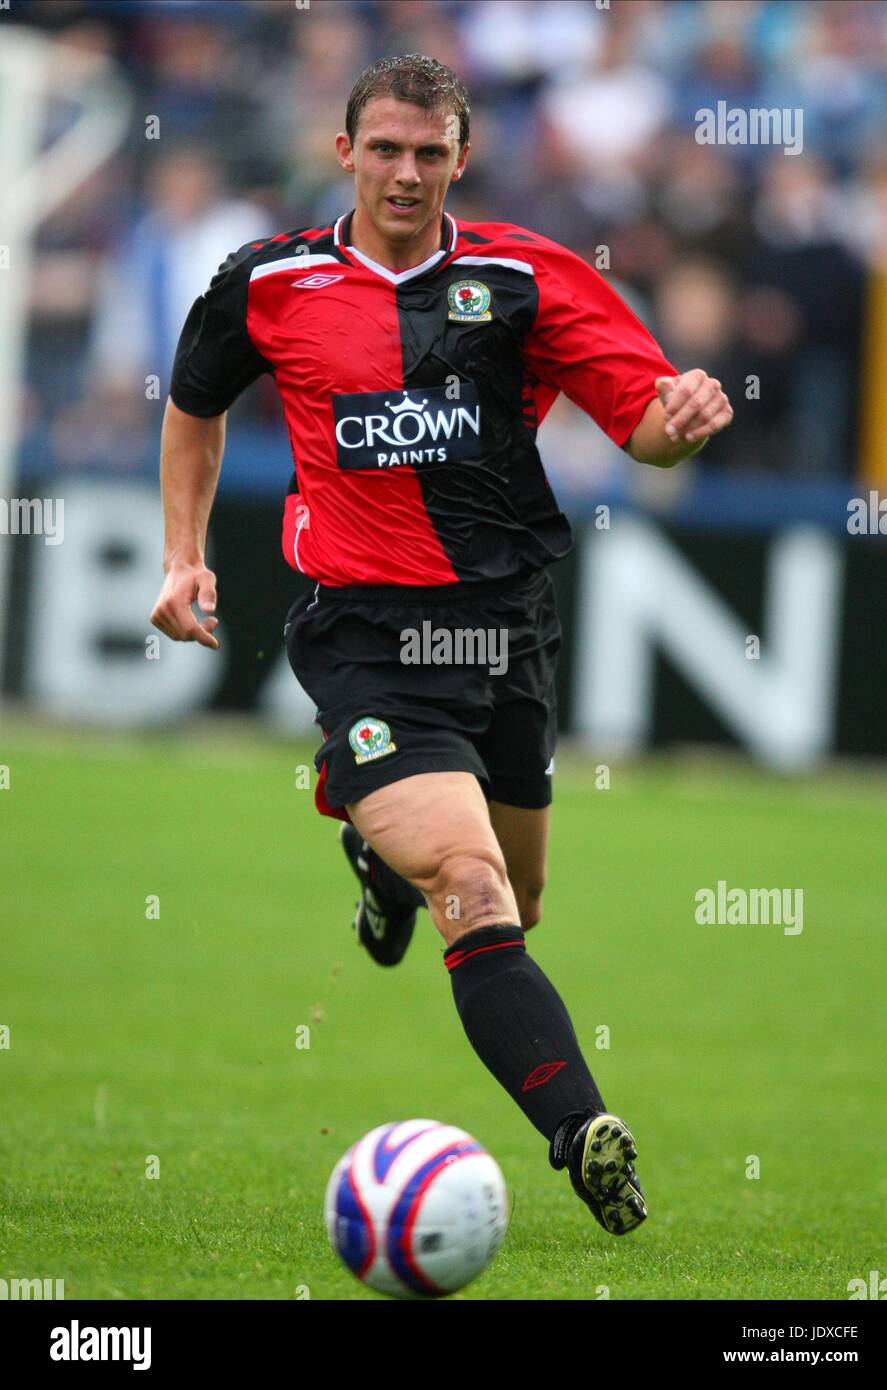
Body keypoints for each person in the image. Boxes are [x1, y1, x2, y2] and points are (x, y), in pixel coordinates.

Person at [152, 54, 732, 1240]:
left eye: (429, 153)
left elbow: (642, 426)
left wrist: (677, 428)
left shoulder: (525, 279)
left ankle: (366, 843)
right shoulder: (270, 282)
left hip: (505, 625)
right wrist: (182, 553)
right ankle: (582, 1132)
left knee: (517, 895)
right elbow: (194, 398)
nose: (405, 173)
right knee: (469, 890)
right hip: (363, 631)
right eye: (384, 150)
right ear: (345, 153)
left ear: (460, 158)